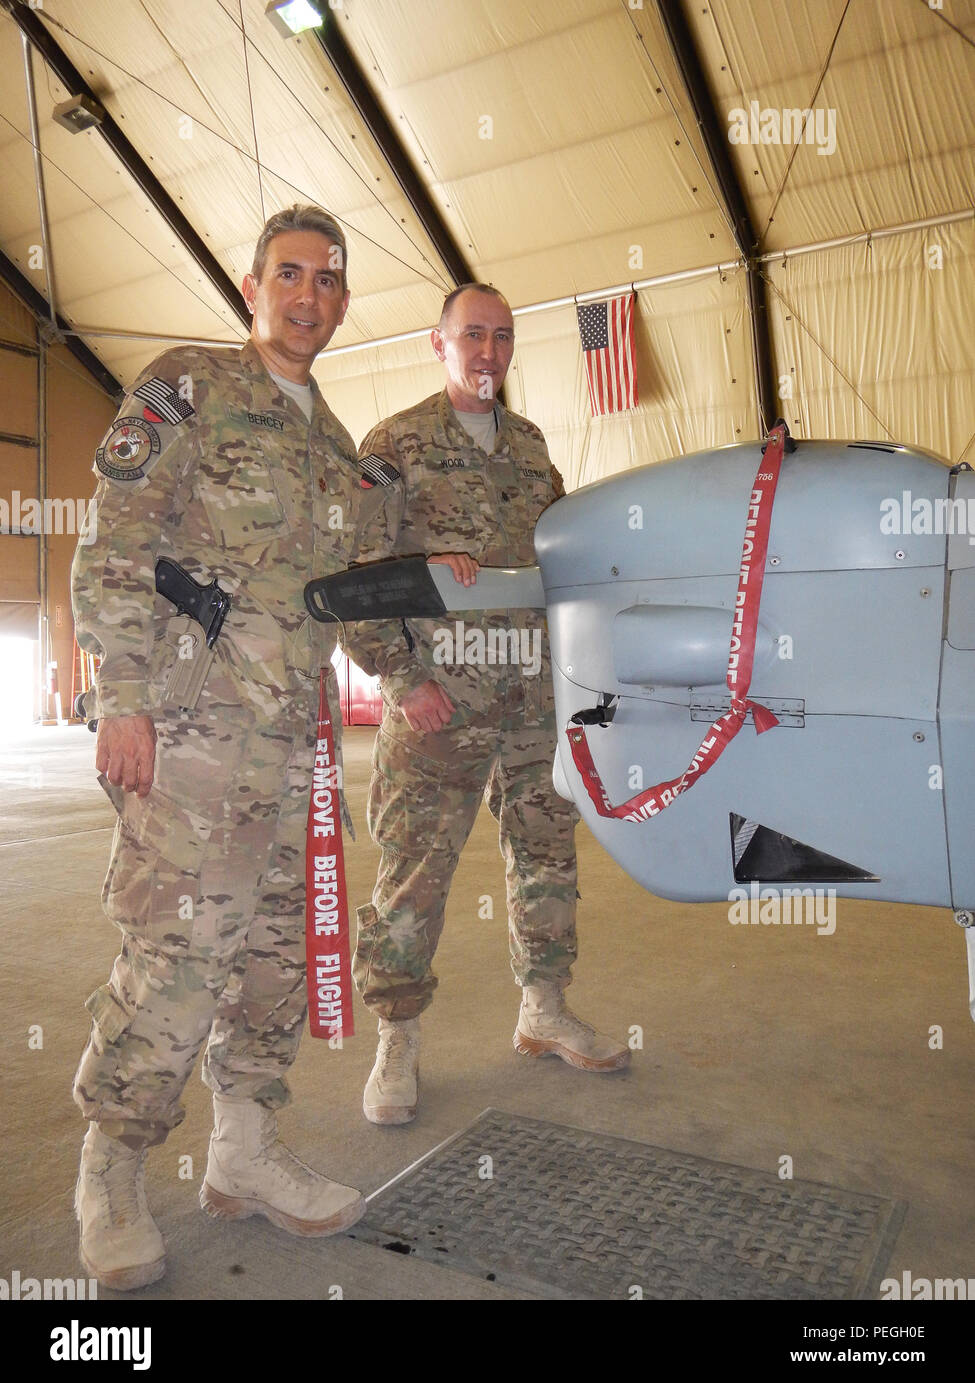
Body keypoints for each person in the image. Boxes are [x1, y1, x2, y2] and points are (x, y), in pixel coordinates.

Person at [71, 205, 365, 1290]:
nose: (309, 296)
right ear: (253, 287)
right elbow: (114, 543)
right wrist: (121, 700)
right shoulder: (190, 385)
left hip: (296, 744)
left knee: (273, 955)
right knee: (177, 955)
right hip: (190, 737)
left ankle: (244, 1152)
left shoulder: (336, 445)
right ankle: (113, 1164)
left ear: (341, 298)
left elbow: (354, 596)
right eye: (289, 274)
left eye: (328, 280)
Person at [343, 283, 629, 1126]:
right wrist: (401, 679)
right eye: (472, 335)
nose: (488, 353)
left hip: (529, 699)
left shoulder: (533, 448)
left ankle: (543, 1008)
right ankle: (397, 1040)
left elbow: (563, 564)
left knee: (545, 851)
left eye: (502, 337)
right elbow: (358, 577)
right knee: (414, 874)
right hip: (439, 700)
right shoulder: (393, 443)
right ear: (439, 344)